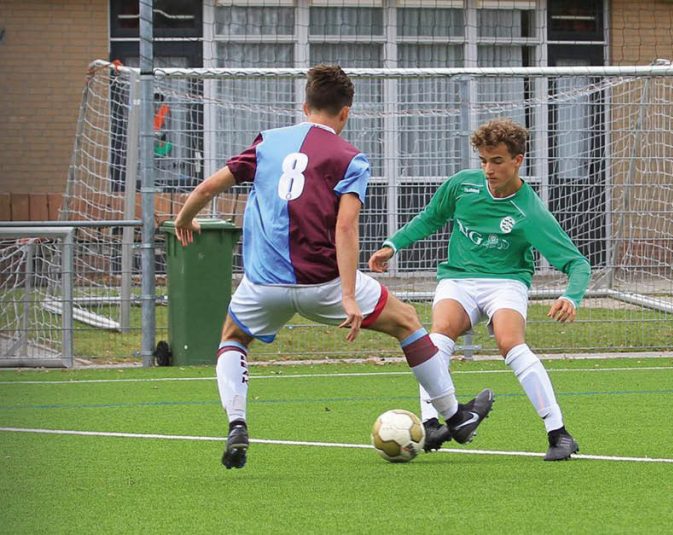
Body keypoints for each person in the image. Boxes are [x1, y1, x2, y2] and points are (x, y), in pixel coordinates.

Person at [173, 64, 494, 470]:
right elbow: (345, 226)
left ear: (305, 106)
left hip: (262, 285)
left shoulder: (267, 143)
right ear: (346, 112)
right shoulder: (350, 158)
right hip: (323, 283)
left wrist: (184, 220)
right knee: (408, 322)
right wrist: (346, 294)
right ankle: (457, 417)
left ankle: (237, 423)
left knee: (233, 339)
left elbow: (206, 188)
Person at [368, 118, 592, 461]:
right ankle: (430, 424)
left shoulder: (528, 210)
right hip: (458, 278)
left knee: (509, 343)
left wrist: (570, 296)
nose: (488, 168)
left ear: (518, 160)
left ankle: (558, 433)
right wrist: (392, 245)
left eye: (497, 161)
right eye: (484, 161)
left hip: (506, 281)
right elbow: (430, 217)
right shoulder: (462, 186)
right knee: (439, 333)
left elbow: (577, 263)